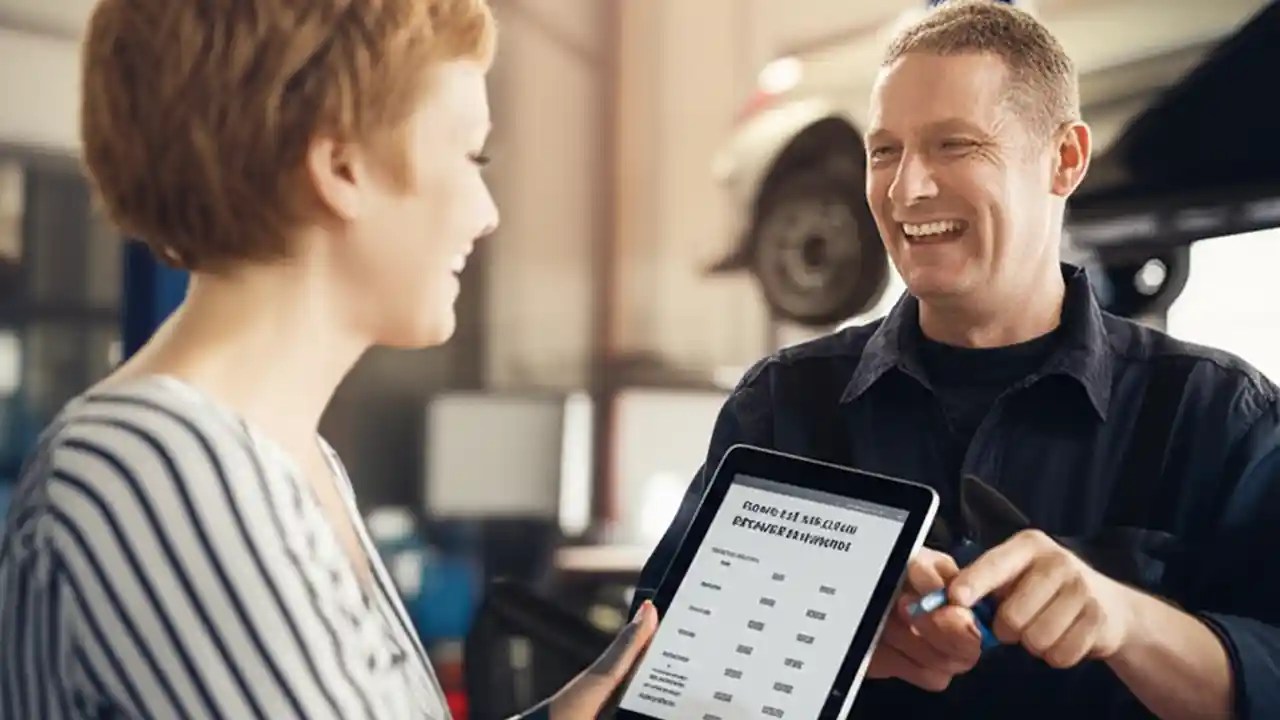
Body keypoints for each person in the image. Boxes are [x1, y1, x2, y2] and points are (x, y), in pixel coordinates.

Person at [0, 1, 658, 718]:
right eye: (472, 157)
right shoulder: (161, 466)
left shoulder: (291, 464)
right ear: (342, 166)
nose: (486, 211)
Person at [636, 1, 1280, 718]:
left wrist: (1124, 622)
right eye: (884, 151)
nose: (906, 189)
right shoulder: (782, 407)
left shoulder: (1216, 415)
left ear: (1064, 159)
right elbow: (658, 676)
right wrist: (819, 629)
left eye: (955, 146)